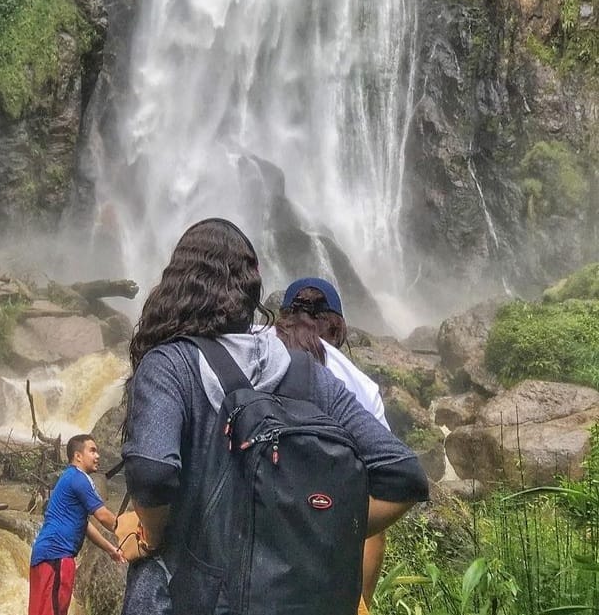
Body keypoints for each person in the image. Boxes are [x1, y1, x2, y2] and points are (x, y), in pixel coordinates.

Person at [120, 220, 428, 615]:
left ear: (175, 286)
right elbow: (405, 475)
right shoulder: (308, 374)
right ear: (252, 289)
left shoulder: (170, 365)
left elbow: (152, 472)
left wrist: (152, 532)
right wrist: (316, 530)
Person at [276, 277, 389, 609]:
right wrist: (360, 600)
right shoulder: (362, 388)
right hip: (330, 563)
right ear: (338, 329)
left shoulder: (253, 357)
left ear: (283, 319)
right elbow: (380, 505)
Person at [29, 433, 125, 615]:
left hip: (45, 556)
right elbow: (103, 516)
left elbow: (85, 525)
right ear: (78, 456)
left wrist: (111, 549)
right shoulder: (80, 479)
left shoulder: (68, 478)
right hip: (56, 557)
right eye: (93, 450)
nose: (98, 456)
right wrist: (133, 534)